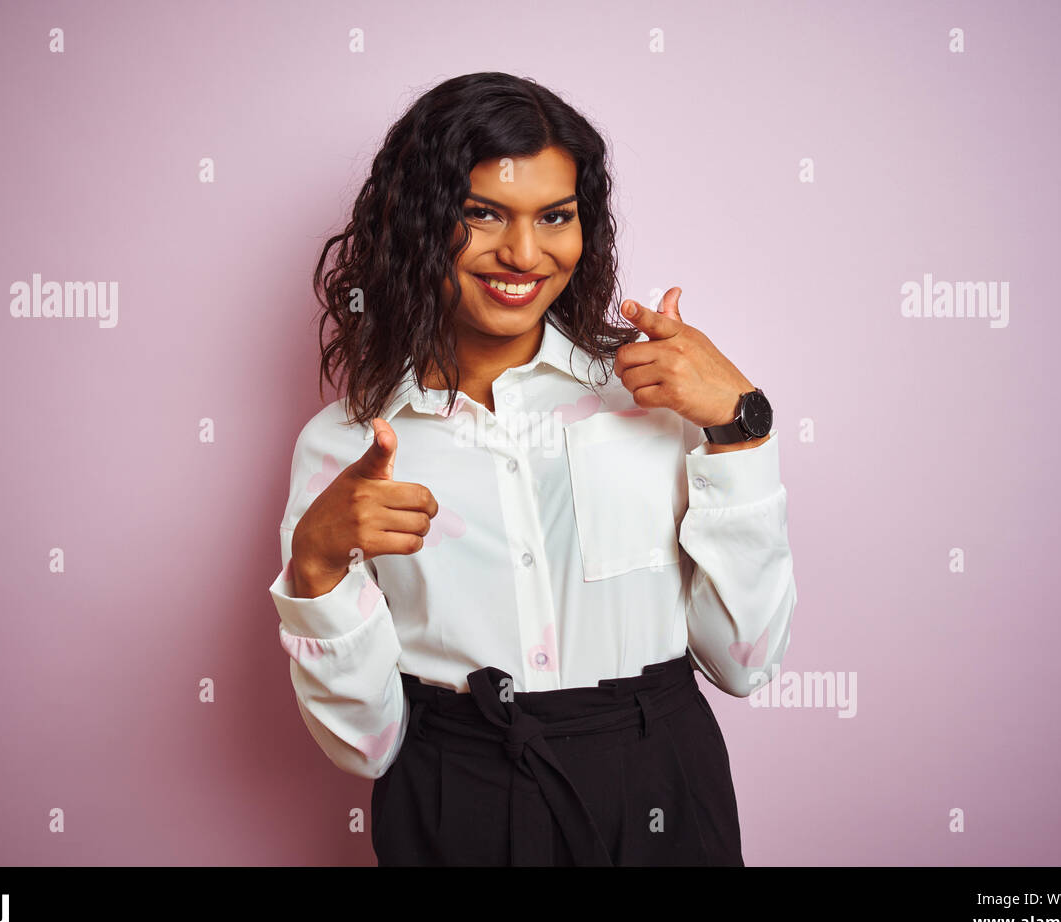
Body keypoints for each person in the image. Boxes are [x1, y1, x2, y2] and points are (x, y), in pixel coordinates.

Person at [269, 72, 797, 866]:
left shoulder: (656, 401)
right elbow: (367, 746)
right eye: (482, 214)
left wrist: (738, 429)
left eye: (555, 216)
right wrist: (314, 567)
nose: (522, 253)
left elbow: (743, 661)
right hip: (456, 794)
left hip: (660, 782)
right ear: (415, 222)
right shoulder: (342, 447)